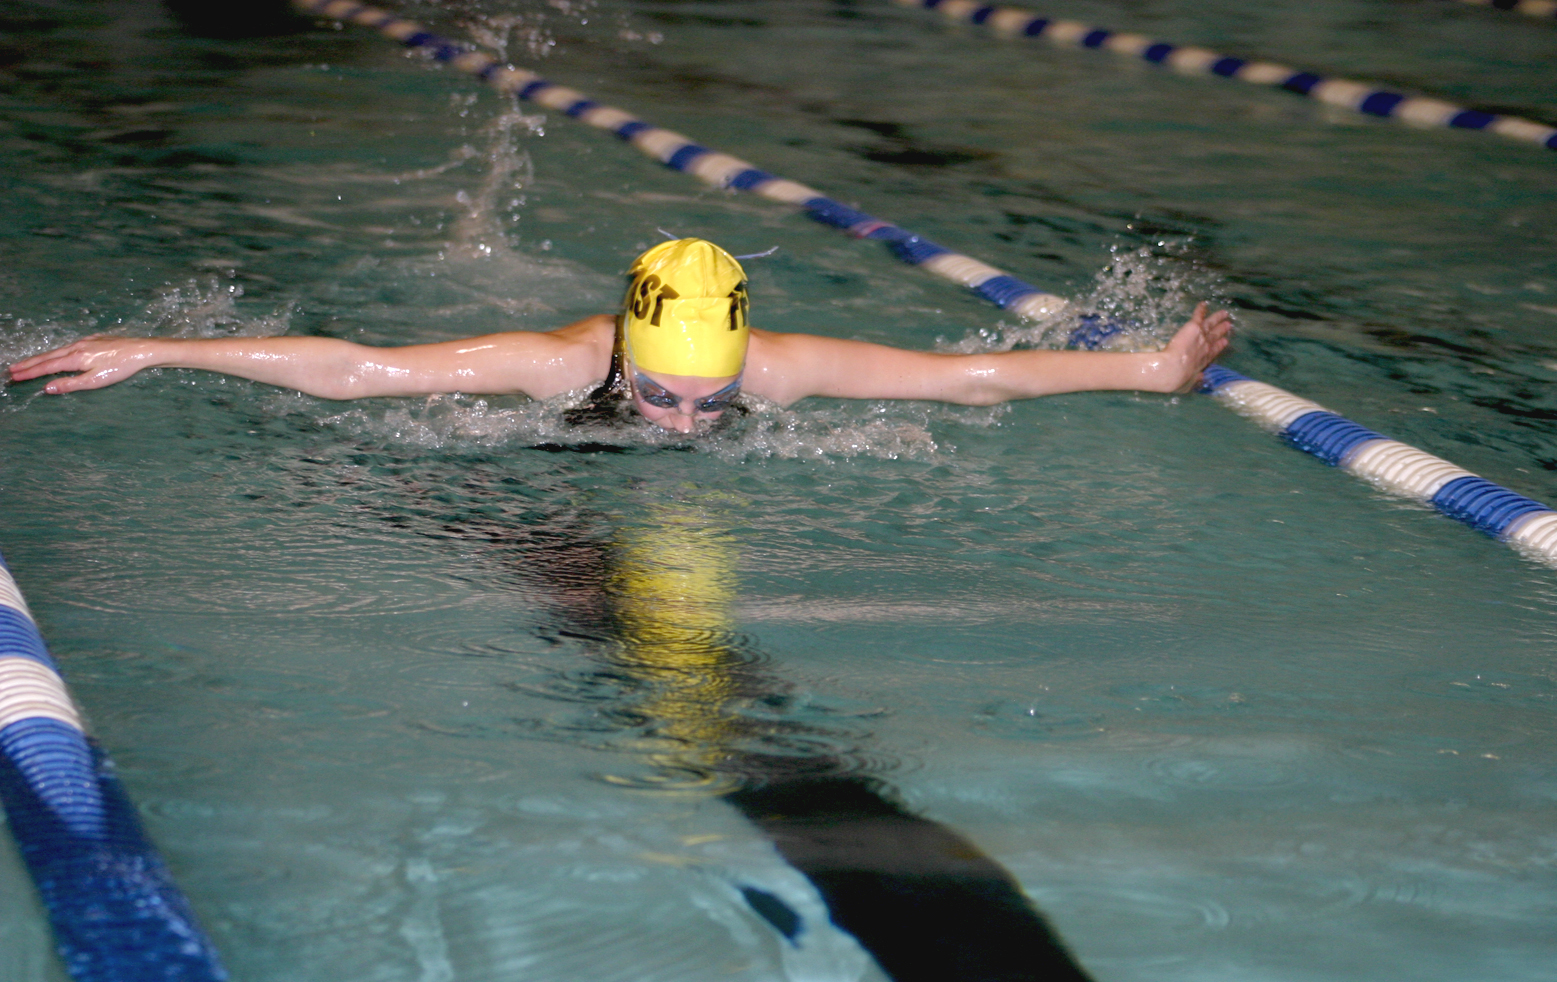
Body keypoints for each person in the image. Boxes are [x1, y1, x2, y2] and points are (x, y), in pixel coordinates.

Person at [7, 238, 1231, 433]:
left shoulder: (781, 370)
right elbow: (355, 372)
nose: (690, 425)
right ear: (624, 360)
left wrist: (1150, 369)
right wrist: (160, 349)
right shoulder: (562, 362)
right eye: (661, 399)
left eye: (710, 403)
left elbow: (971, 381)